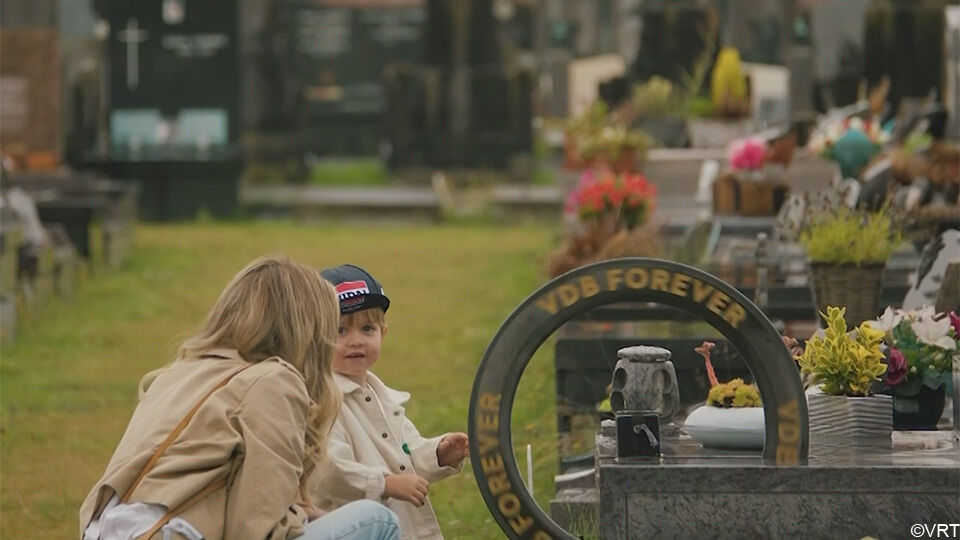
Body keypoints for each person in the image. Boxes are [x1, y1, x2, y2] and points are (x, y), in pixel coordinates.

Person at [79, 256, 400, 540]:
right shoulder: (274, 381)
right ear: (309, 328)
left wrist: (300, 512)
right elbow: (256, 529)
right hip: (171, 533)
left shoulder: (181, 371)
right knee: (377, 520)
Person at [309, 264, 469, 540]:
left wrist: (438, 453)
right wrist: (385, 484)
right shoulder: (322, 400)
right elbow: (330, 471)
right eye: (340, 331)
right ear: (315, 339)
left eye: (367, 328)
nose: (356, 341)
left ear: (383, 333)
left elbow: (407, 453)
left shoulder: (381, 397)